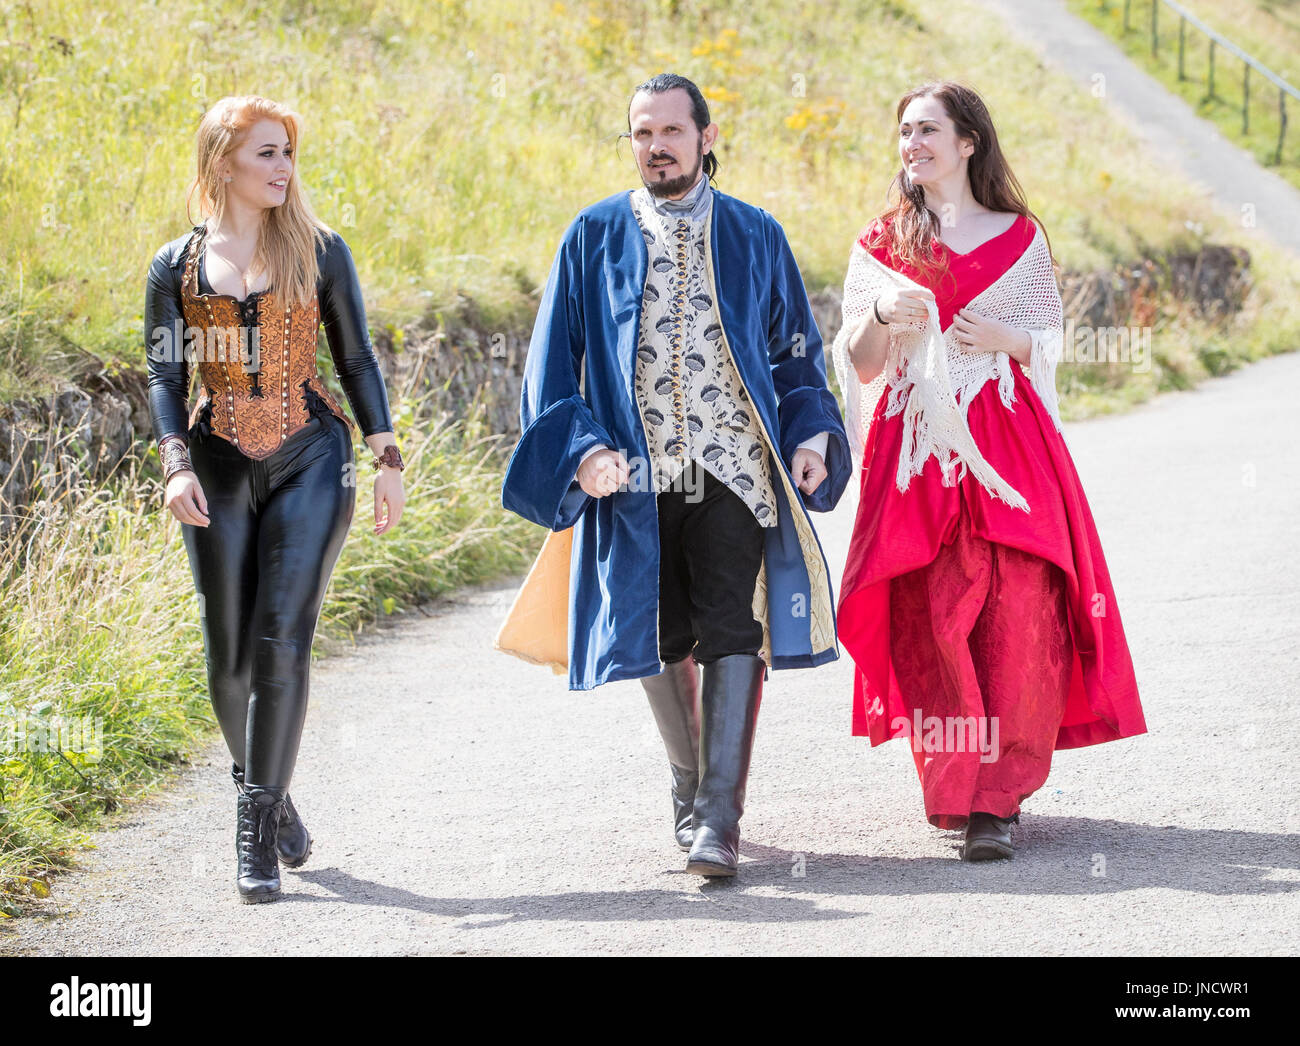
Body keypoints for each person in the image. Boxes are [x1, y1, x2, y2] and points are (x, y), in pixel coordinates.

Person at [499, 74, 850, 877]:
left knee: (732, 625)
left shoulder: (757, 232)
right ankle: (691, 785)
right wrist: (583, 450)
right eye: (640, 133)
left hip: (732, 465)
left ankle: (719, 817)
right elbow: (551, 369)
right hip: (634, 476)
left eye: (669, 132)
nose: (655, 146)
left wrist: (811, 435)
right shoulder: (591, 234)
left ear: (705, 136)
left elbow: (798, 354)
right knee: (658, 635)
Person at [831, 81, 1146, 860]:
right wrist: (878, 319)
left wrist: (1007, 336)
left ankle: (996, 801)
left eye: (928, 130)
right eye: (904, 131)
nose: (913, 144)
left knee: (1020, 612)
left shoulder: (1020, 237)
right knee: (932, 616)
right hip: (919, 455)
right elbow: (861, 364)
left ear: (968, 141)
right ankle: (954, 782)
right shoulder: (881, 242)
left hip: (1010, 449)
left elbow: (1050, 344)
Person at [145, 95, 406, 901]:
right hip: (217, 460)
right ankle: (275, 790)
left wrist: (386, 452)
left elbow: (355, 358)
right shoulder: (174, 266)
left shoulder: (320, 251)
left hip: (311, 456)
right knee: (227, 657)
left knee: (281, 640)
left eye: (287, 152)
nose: (283, 168)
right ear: (222, 161)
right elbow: (164, 374)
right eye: (266, 153)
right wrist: (175, 465)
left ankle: (253, 832)